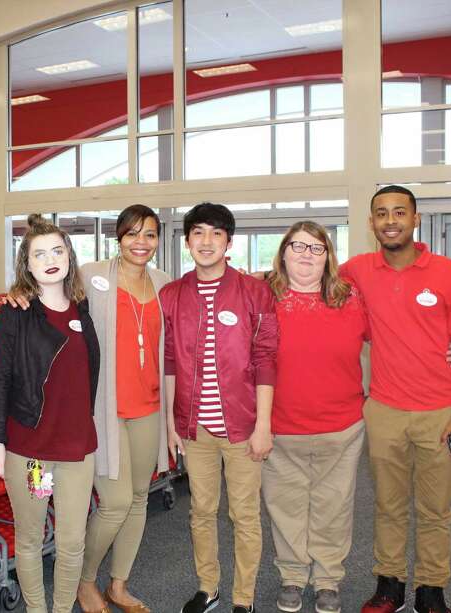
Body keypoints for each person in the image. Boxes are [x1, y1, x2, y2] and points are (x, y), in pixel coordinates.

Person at [5, 205, 171, 613]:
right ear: (119, 238)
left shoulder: (163, 283)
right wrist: (19, 291)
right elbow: (47, 288)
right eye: (132, 233)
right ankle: (84, 582)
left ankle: (118, 584)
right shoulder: (91, 278)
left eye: (150, 234)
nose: (141, 242)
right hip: (85, 422)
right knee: (111, 504)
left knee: (135, 499)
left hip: (136, 411)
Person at [340, 185, 451, 613]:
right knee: (388, 505)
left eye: (399, 212)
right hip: (384, 410)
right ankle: (390, 586)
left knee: (436, 509)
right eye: (381, 213)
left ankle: (431, 590)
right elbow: (308, 278)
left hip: (439, 412)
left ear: (416, 219)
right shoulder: (358, 270)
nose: (390, 220)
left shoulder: (448, 274)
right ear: (371, 223)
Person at [161, 202, 278, 613]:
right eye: (198, 232)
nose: (206, 241)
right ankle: (207, 587)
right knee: (201, 511)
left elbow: (266, 359)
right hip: (195, 428)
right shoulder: (172, 295)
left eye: (216, 233)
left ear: (229, 242)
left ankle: (244, 598)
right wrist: (171, 423)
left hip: (243, 426)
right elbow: (169, 361)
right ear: (187, 240)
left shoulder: (254, 292)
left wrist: (263, 425)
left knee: (245, 515)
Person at [0, 214, 100, 613]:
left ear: (69, 257)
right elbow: (1, 378)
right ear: (27, 264)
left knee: (72, 542)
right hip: (34, 454)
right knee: (32, 538)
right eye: (40, 254)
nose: (51, 260)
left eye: (57, 251)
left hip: (77, 451)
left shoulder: (82, 310)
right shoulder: (16, 312)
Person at [260, 221, 368, 613]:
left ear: (328, 257)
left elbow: (393, 336)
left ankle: (327, 580)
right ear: (283, 252)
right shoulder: (262, 297)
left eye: (316, 248)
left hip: (341, 427)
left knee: (333, 507)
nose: (306, 255)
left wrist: (443, 350)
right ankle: (292, 575)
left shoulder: (350, 298)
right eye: (298, 246)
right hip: (280, 428)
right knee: (285, 506)